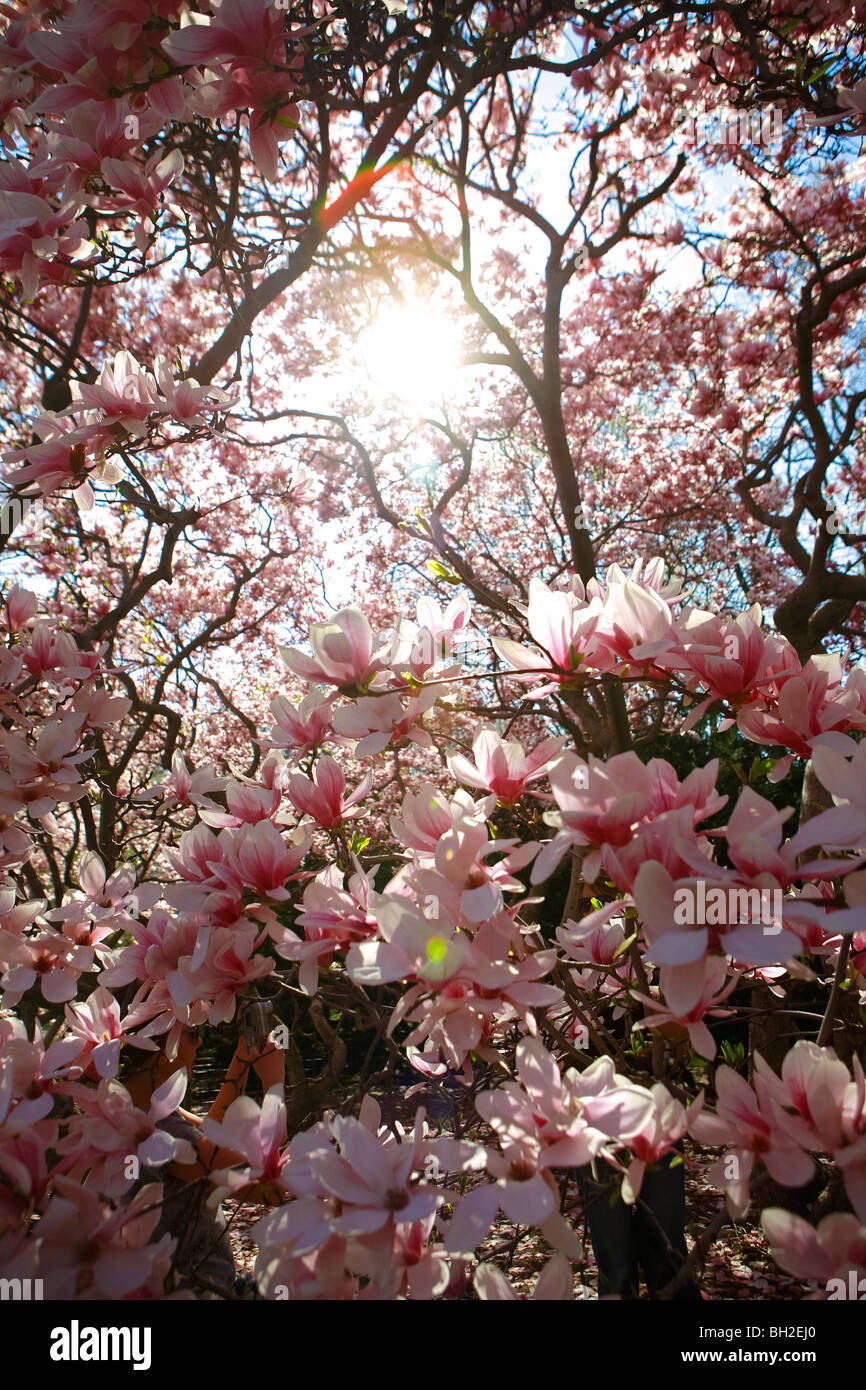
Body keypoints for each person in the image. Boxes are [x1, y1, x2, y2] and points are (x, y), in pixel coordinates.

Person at [122, 1014, 286, 1297]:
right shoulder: (165, 1134)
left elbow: (212, 1137)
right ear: (162, 1054)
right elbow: (268, 1190)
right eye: (191, 1034)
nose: (198, 1044)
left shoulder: (137, 1110)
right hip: (198, 1290)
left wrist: (241, 1063)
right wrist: (275, 1083)